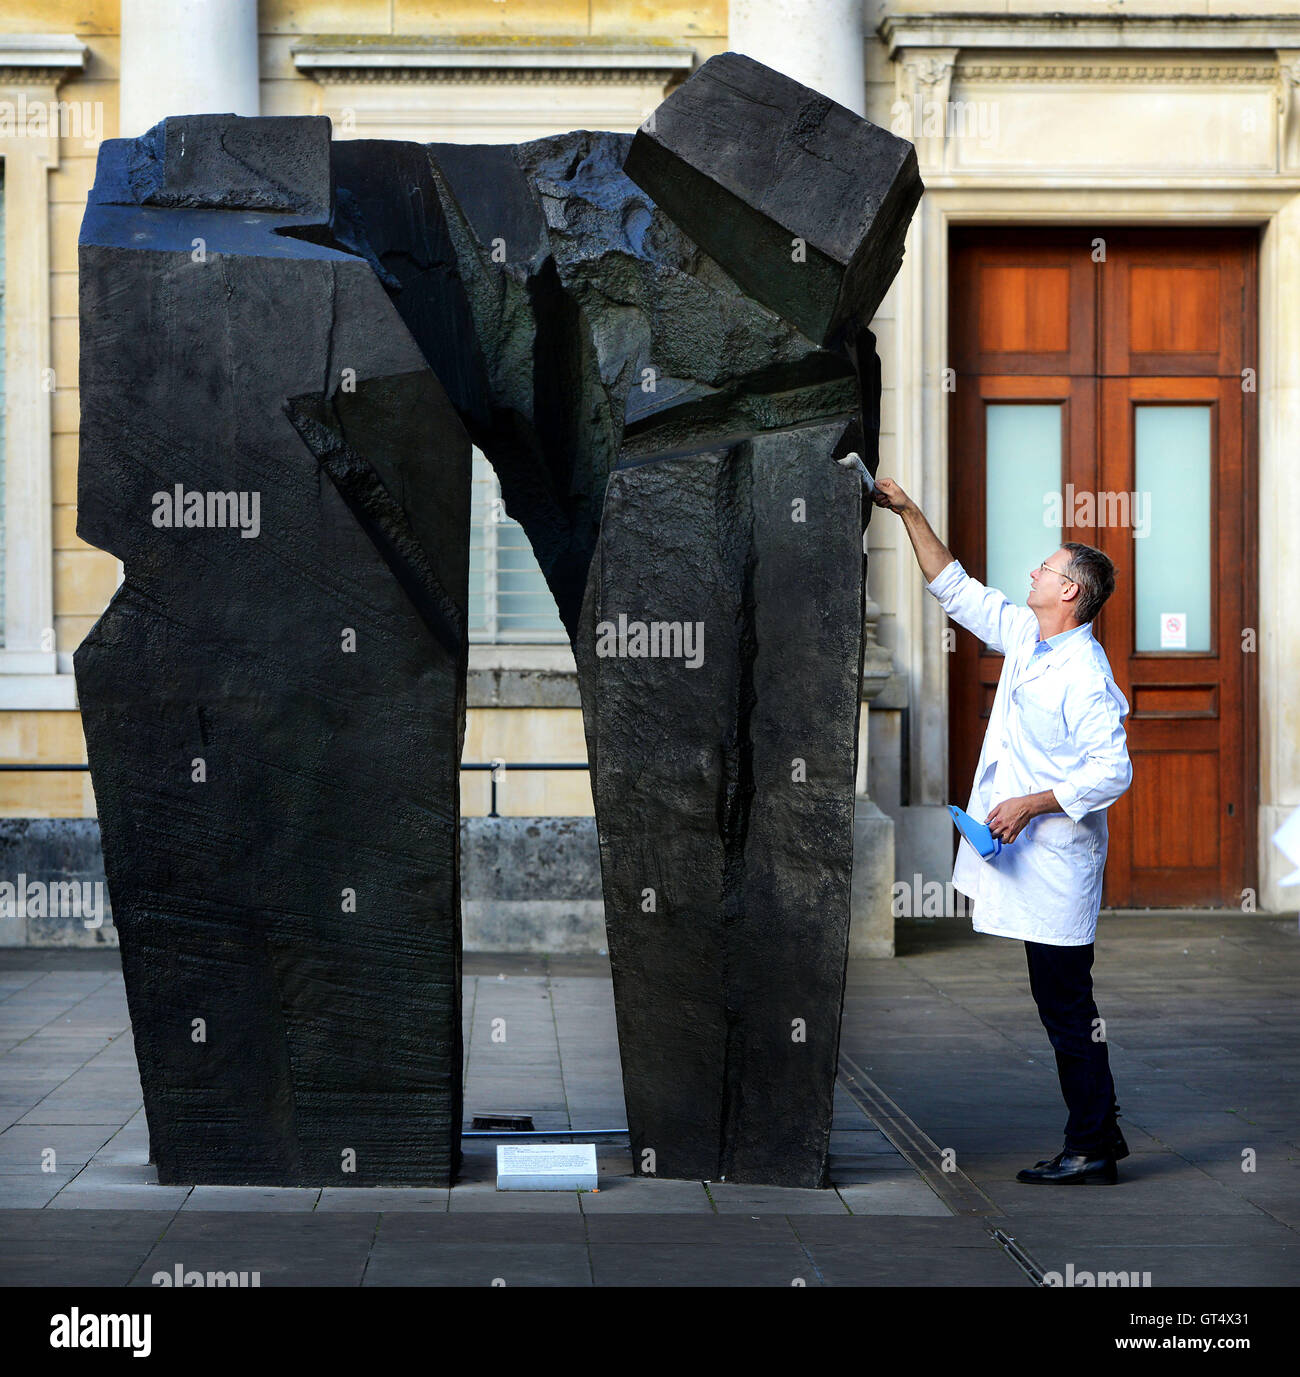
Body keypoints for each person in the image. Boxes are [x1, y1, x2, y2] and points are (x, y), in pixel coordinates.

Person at [872, 475, 1134, 1185]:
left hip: (1057, 863)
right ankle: (1098, 1132)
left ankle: (1090, 1146)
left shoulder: (1084, 673)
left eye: (1045, 570)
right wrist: (909, 512)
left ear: (1071, 591)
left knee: (1066, 1005)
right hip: (1026, 858)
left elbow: (1113, 770)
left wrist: (1031, 802)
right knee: (1062, 1001)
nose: (1032, 573)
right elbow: (953, 586)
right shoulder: (1027, 634)